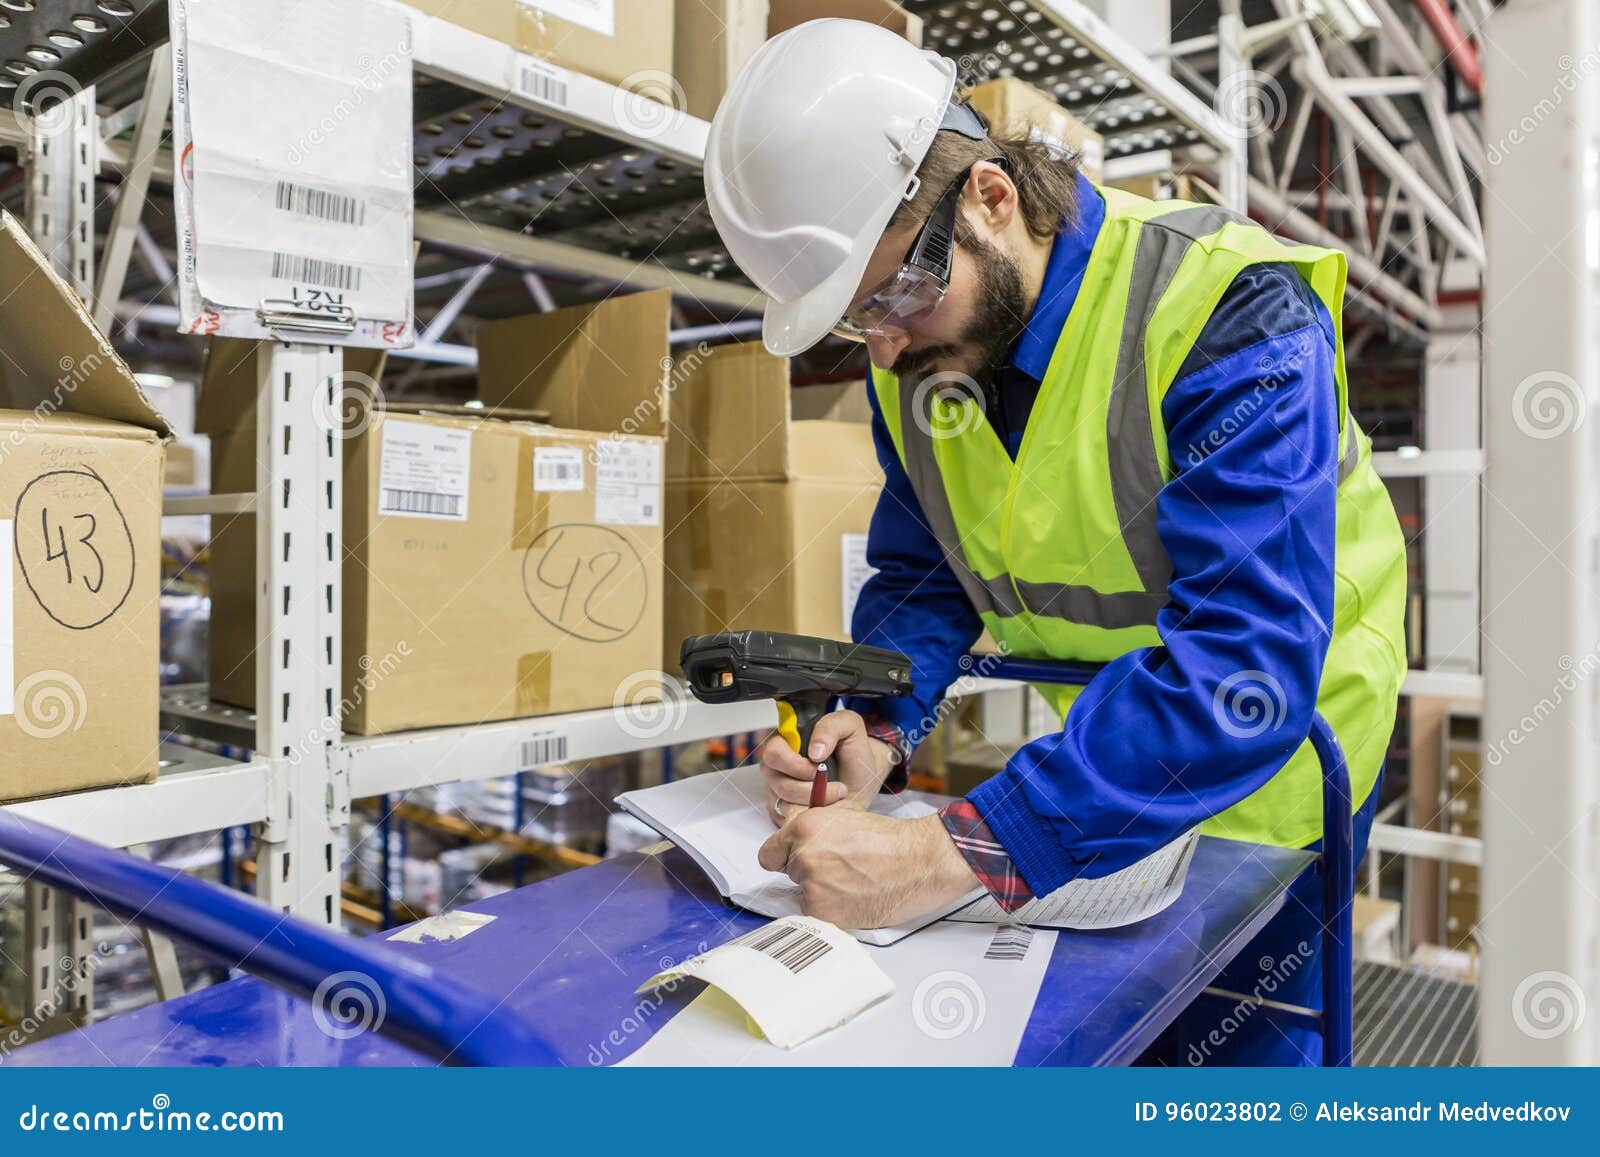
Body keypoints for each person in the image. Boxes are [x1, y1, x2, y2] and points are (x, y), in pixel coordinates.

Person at [705, 18, 1406, 1065]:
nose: (885, 345)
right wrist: (879, 720)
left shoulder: (1227, 308)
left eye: (897, 291)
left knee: (1233, 1069)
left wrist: (949, 851)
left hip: (1272, 773)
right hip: (1100, 760)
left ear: (990, 195)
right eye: (857, 321)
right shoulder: (915, 365)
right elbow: (924, 567)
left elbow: (1244, 669)